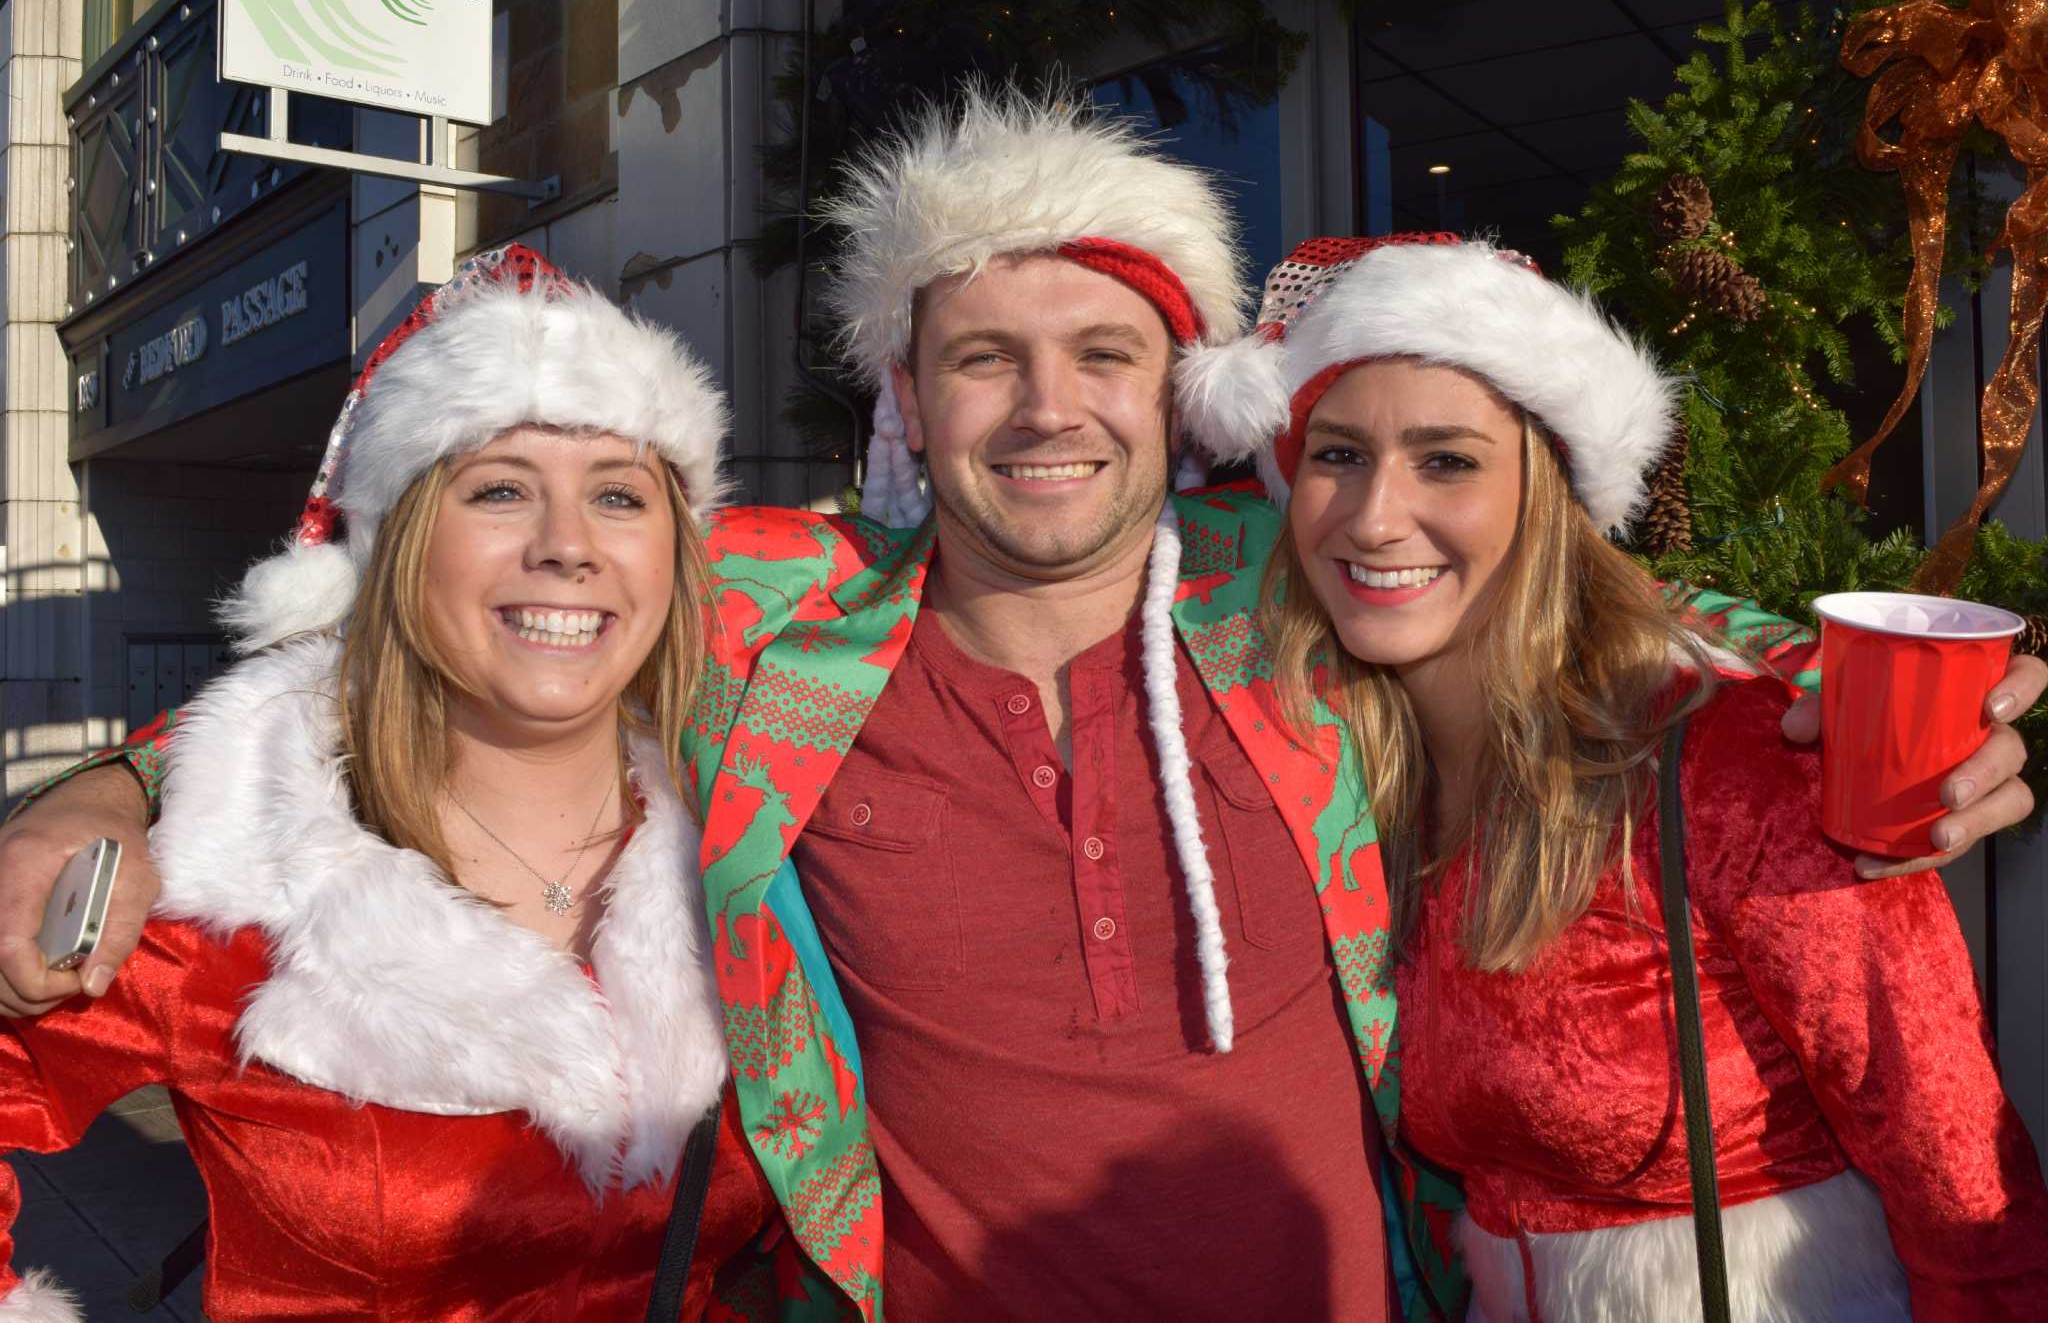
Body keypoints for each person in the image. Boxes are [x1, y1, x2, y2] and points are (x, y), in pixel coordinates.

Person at [2, 94, 2043, 1321]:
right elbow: (460, 624)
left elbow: (1573, 605)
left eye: (1101, 352)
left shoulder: (1296, 597)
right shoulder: (783, 626)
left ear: (1180, 394)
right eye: (982, 356)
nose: (1046, 407)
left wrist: (1863, 696)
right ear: (906, 397)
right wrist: (110, 784)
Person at [1178, 231, 2048, 1320]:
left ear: (1544, 492)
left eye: (1447, 461)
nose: (1373, 517)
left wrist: (1920, 716)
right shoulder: (1341, 759)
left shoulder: (1724, 755)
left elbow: (1962, 1177)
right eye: (1337, 455)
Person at [0, 248, 779, 1319]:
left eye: (617, 494)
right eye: (500, 489)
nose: (567, 546)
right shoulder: (230, 885)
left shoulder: (770, 836)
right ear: (398, 549)